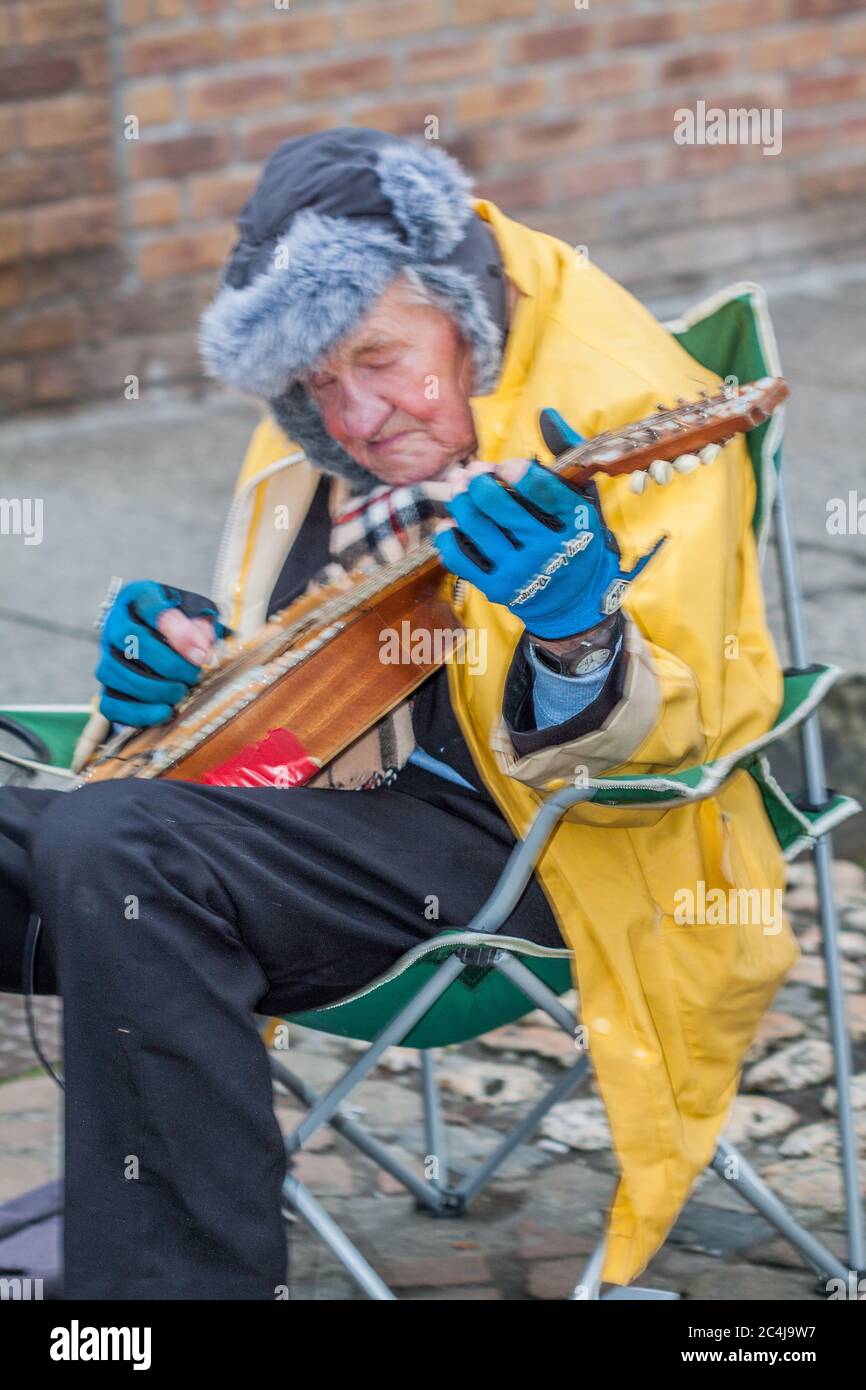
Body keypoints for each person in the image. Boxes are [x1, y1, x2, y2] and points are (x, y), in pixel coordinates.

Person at [0, 128, 798, 1300]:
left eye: (377, 359)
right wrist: (176, 671)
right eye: (319, 381)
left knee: (121, 846)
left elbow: (687, 733)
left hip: (540, 843)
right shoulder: (325, 423)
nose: (357, 415)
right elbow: (289, 666)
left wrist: (576, 636)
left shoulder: (625, 409)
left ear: (463, 306)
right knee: (99, 832)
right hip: (321, 811)